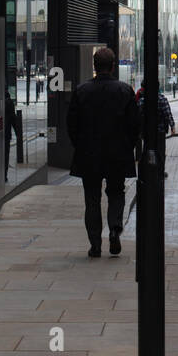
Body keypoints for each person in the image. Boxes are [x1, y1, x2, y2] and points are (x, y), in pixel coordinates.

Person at [67, 47, 139, 258]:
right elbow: (135, 125)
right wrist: (129, 147)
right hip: (117, 155)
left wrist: (80, 146)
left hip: (89, 155)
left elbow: (72, 125)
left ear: (95, 66)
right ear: (113, 66)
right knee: (116, 193)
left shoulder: (81, 91)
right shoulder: (125, 90)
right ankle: (115, 229)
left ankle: (95, 244)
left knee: (92, 199)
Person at [139, 84, 176, 178]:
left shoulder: (142, 101)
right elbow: (167, 113)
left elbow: (138, 116)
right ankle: (160, 171)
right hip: (160, 131)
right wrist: (172, 126)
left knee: (147, 150)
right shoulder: (162, 99)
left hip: (147, 132)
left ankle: (148, 171)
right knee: (160, 152)